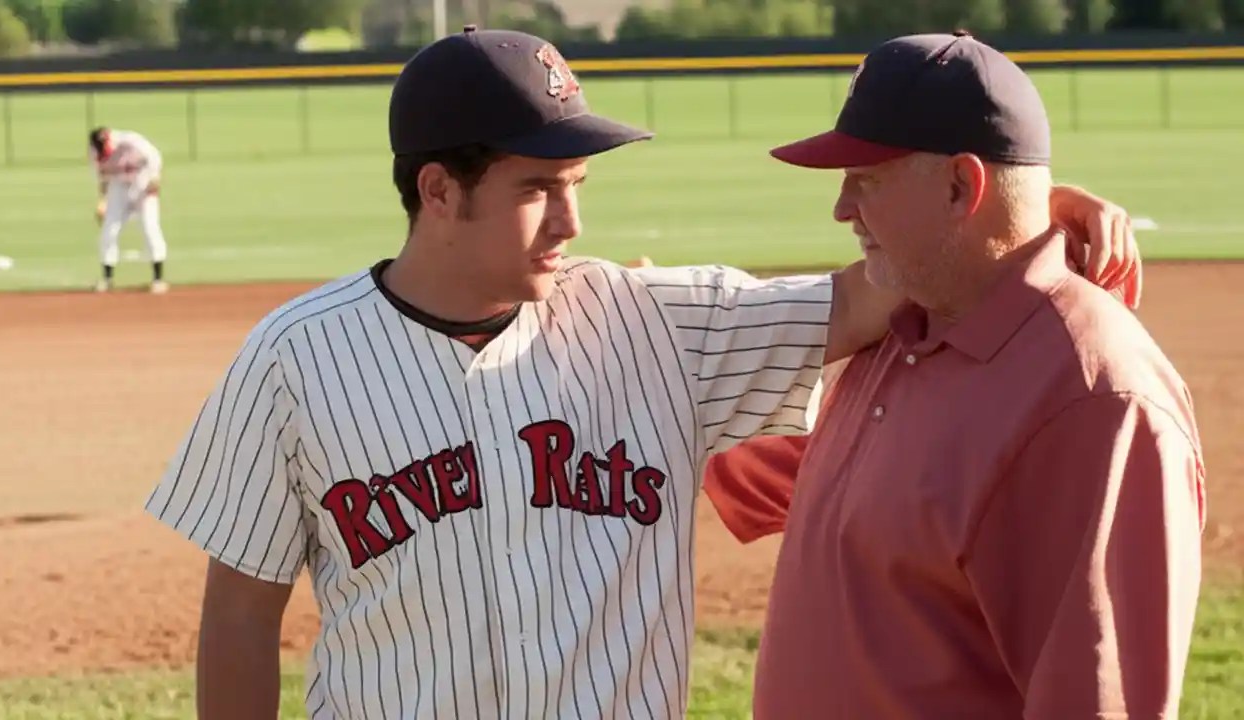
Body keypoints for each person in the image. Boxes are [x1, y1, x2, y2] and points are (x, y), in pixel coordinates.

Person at [142, 26, 1141, 720]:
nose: (573, 222)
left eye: (577, 185)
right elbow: (239, 614)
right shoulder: (294, 358)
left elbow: (869, 295)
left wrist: (1020, 199)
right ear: (439, 192)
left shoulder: (657, 325)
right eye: (539, 190)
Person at [703, 31, 1206, 720]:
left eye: (868, 178)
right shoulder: (905, 330)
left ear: (960, 185)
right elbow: (769, 478)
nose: (842, 208)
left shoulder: (1096, 405)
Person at [88, 126, 168, 294]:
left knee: (149, 227)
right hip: (119, 188)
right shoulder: (95, 152)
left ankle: (158, 279)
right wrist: (102, 201)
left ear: (110, 139)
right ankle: (107, 279)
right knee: (109, 230)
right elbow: (103, 176)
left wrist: (155, 179)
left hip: (143, 185)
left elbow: (155, 157)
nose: (104, 152)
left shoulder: (132, 142)